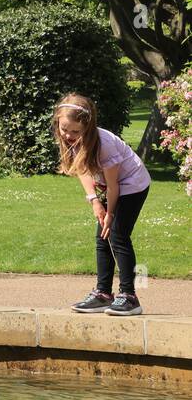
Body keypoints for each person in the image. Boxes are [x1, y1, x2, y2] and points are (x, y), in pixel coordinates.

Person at [57, 93, 152, 316]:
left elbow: (114, 186)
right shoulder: (69, 139)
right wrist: (94, 202)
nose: (68, 135)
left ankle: (130, 297)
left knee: (117, 235)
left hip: (131, 184)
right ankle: (103, 294)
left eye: (75, 131)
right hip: (110, 187)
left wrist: (109, 212)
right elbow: (81, 168)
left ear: (87, 127)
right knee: (102, 238)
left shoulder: (104, 144)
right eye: (64, 129)